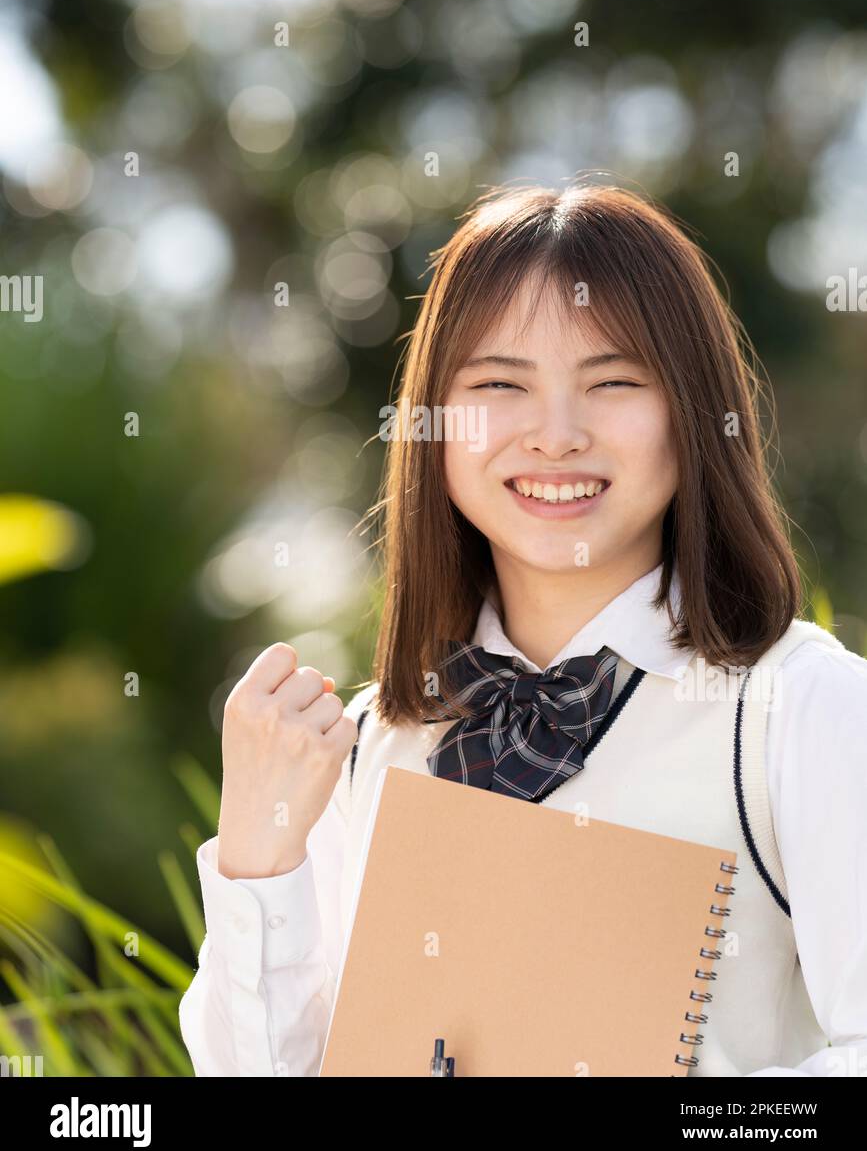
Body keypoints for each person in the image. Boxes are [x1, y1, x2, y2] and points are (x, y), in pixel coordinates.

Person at [178, 182, 867, 1077]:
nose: (553, 435)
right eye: (500, 384)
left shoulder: (799, 708)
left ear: (692, 411)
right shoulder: (360, 748)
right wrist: (259, 853)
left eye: (613, 381)